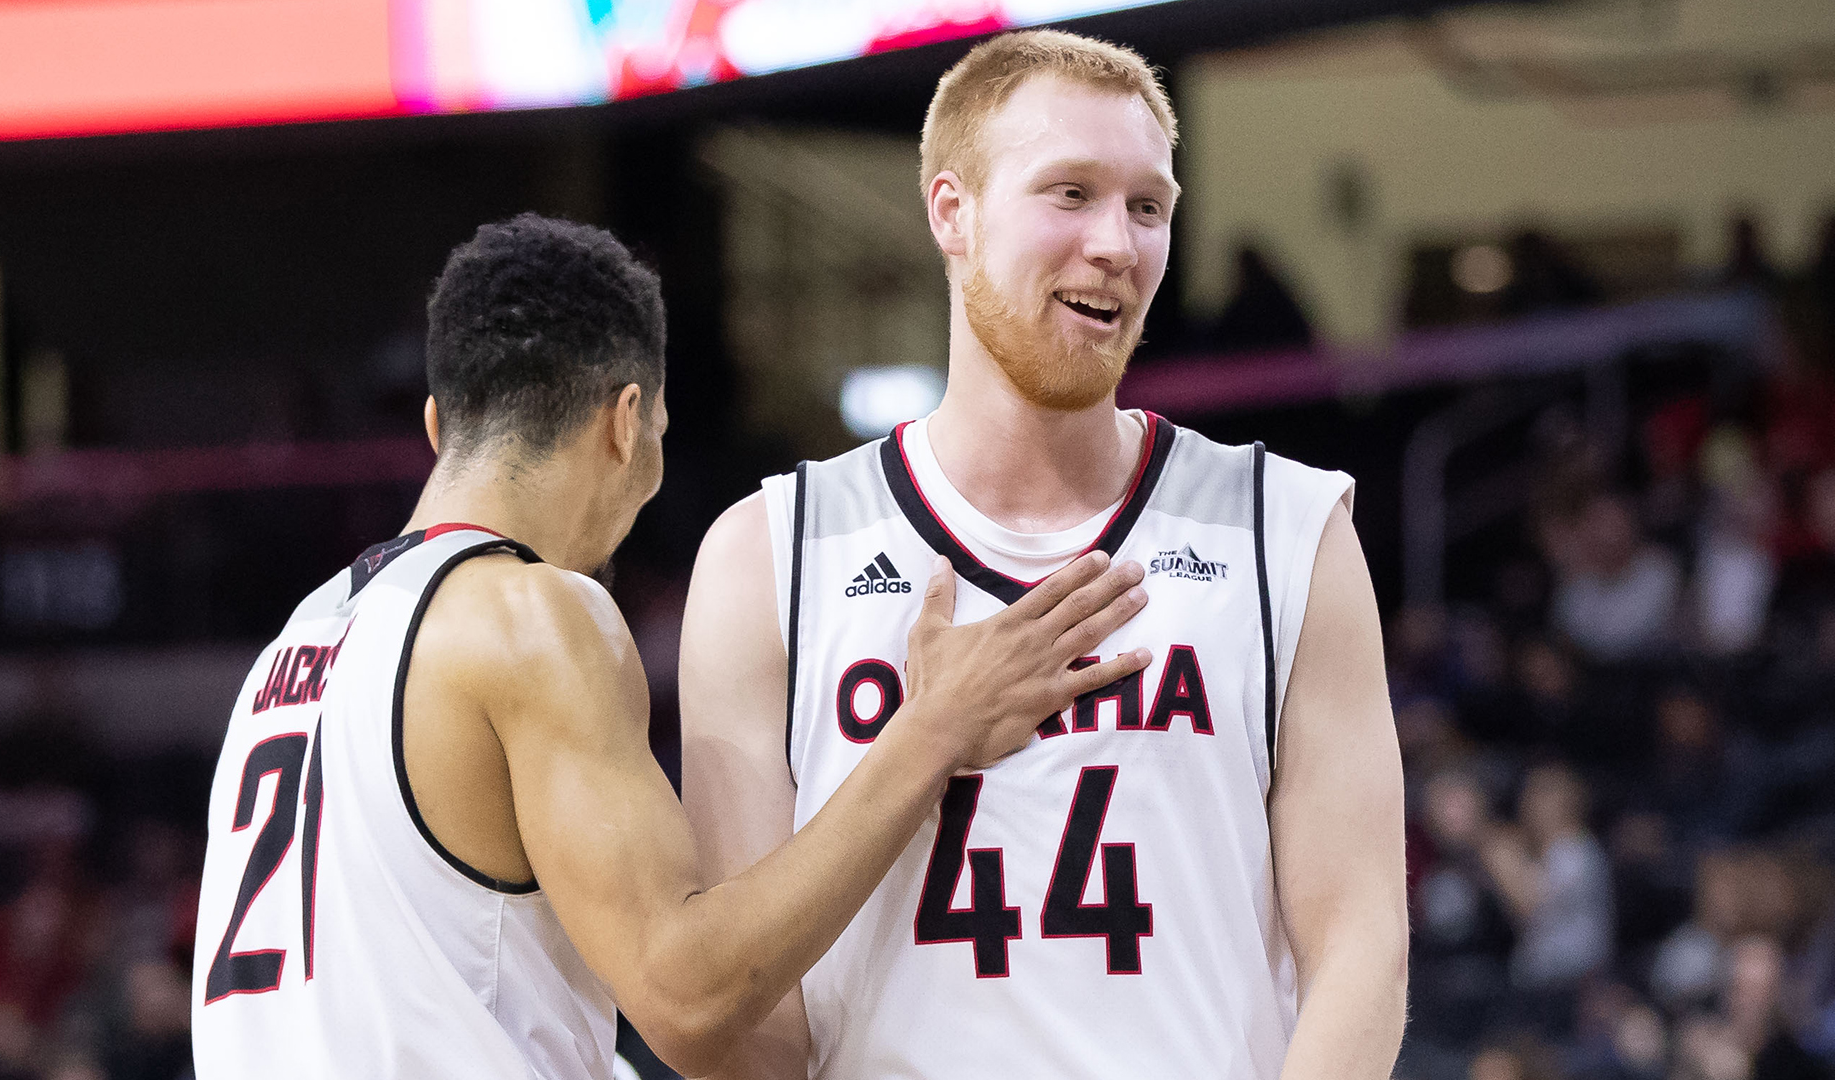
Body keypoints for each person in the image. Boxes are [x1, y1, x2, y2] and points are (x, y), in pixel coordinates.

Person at [188, 215, 1154, 1079]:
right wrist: (932, 730)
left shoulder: (293, 646)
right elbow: (687, 995)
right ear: (627, 426)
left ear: (442, 427)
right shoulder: (534, 618)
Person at [679, 29, 1408, 1080]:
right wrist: (925, 740)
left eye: (1147, 206)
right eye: (1070, 193)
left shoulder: (1287, 529)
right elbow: (747, 1019)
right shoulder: (769, 554)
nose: (1117, 242)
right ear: (952, 212)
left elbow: (1360, 951)